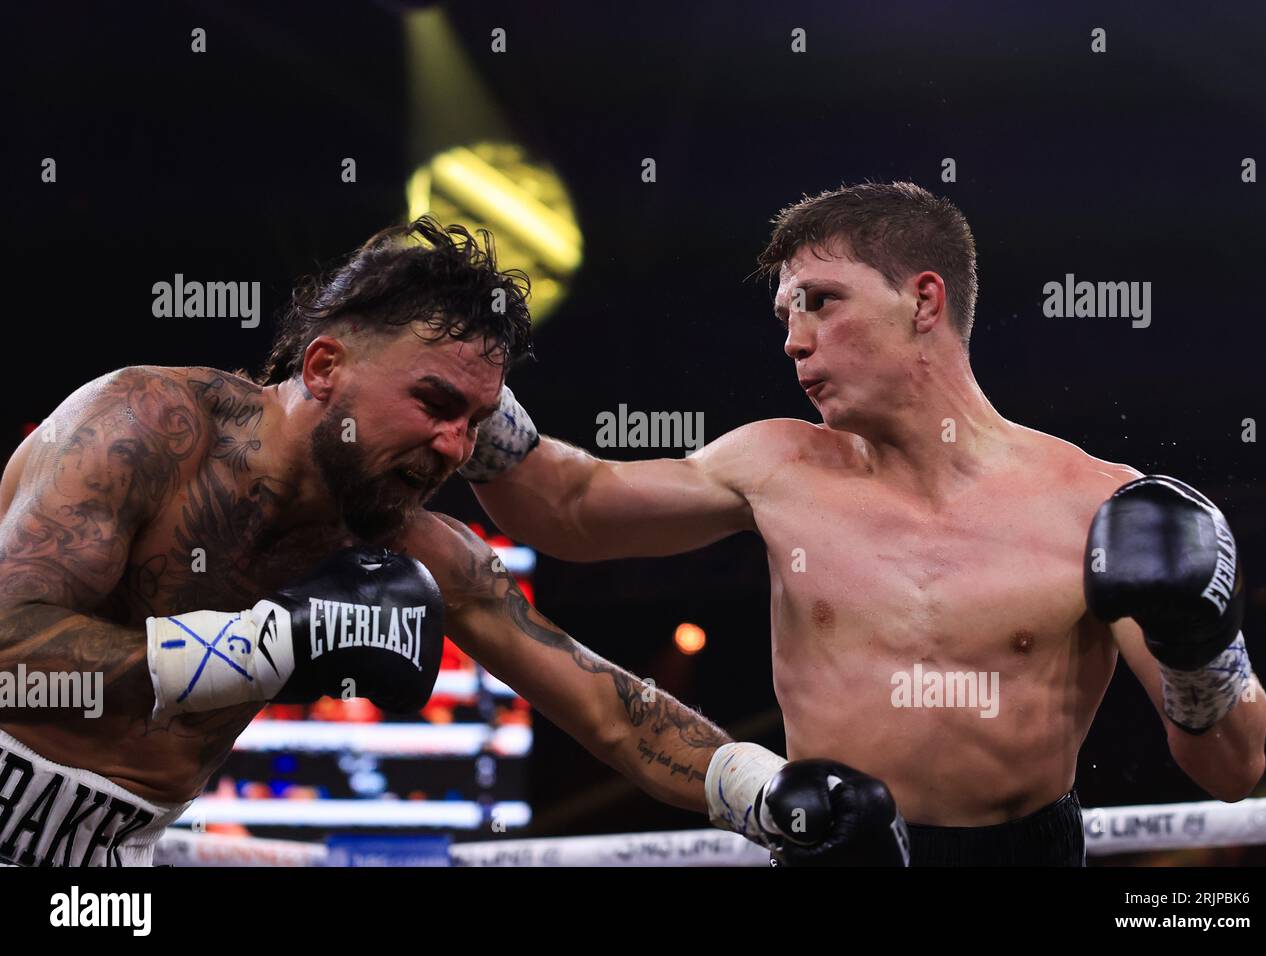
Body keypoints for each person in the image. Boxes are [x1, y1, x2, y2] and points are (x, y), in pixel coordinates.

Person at [0, 219, 901, 866]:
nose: (455, 448)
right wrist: (267, 646)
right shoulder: (143, 425)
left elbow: (604, 706)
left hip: (116, 855)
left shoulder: (403, 536)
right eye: (433, 404)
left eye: (475, 422)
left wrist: (760, 787)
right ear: (323, 368)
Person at [463, 181, 1266, 865]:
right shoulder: (774, 465)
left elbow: (1233, 767)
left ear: (924, 299)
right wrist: (461, 379)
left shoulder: (1098, 504)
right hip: (833, 849)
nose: (793, 340)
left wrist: (1202, 653)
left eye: (821, 302)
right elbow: (566, 507)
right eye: (785, 313)